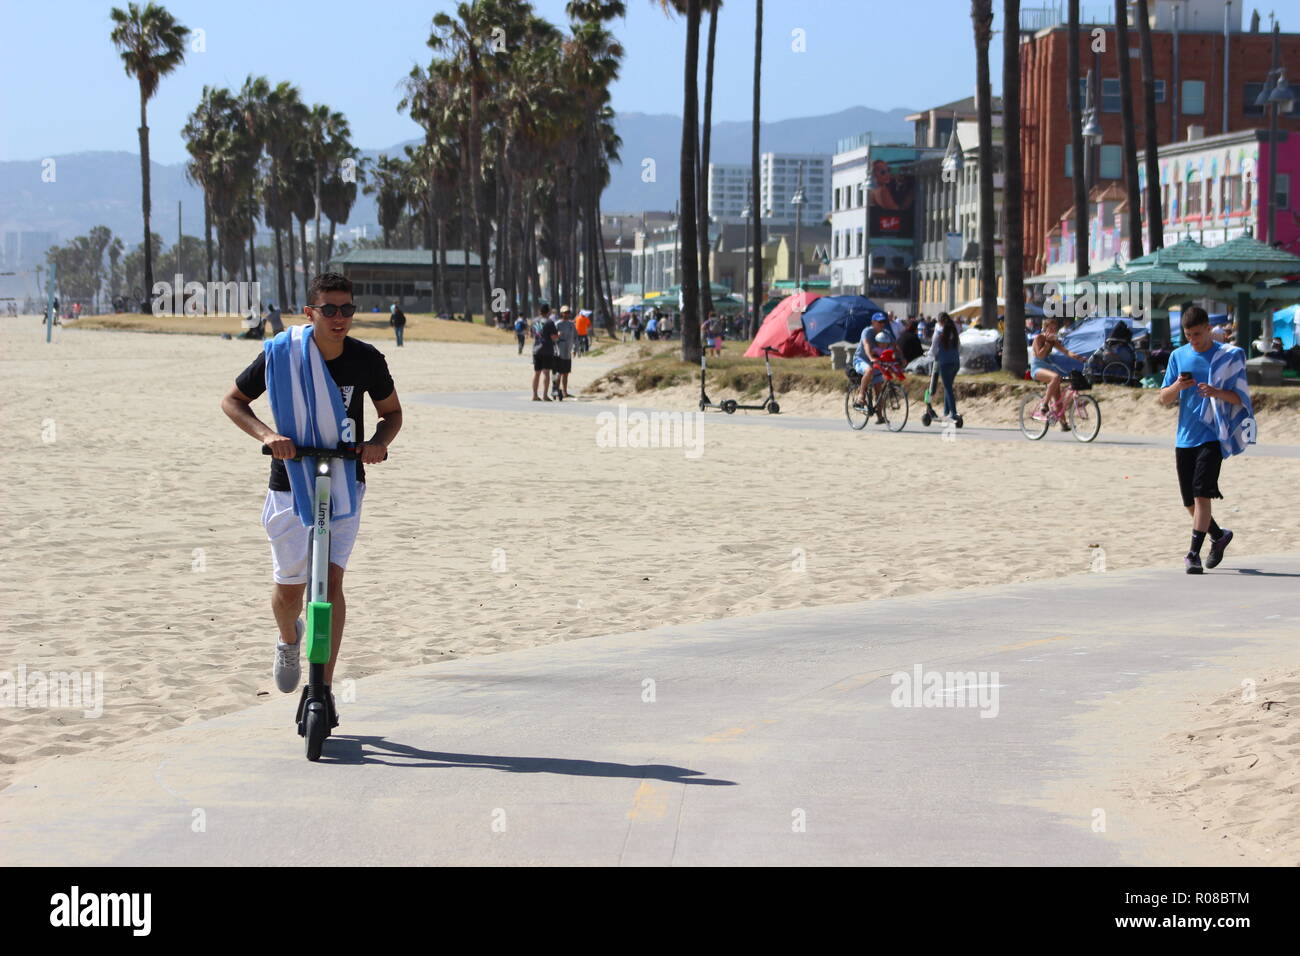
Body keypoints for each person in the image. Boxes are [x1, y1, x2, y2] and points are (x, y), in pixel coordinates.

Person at [220, 272, 401, 723]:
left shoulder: (366, 359)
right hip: (291, 480)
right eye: (330, 310)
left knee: (332, 583)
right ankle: (288, 640)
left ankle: (321, 686)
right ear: (310, 312)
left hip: (343, 478)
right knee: (290, 590)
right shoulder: (282, 354)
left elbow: (392, 414)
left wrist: (379, 442)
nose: (340, 319)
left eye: (347, 310)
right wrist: (269, 435)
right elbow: (233, 401)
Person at [1159, 306, 1252, 574]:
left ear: (1209, 328)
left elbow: (1241, 399)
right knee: (1189, 501)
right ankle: (1219, 536)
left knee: (1201, 494)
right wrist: (1178, 386)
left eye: (1197, 334)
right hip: (1184, 437)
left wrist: (1215, 392)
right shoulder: (1179, 356)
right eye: (1188, 335)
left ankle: (1192, 554)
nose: (1193, 340)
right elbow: (1163, 397)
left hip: (1213, 435)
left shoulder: (1226, 357)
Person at [1029, 318, 1084, 423]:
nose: (1053, 330)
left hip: (1048, 368)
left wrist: (1078, 357)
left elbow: (1066, 351)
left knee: (1058, 398)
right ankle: (1044, 404)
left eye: (1055, 328)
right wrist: (1048, 344)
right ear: (1045, 328)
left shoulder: (1053, 341)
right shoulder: (1039, 338)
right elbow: (1040, 355)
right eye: (1051, 328)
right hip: (1037, 369)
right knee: (1055, 377)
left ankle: (1063, 424)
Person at [853, 313, 896, 423]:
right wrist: (871, 357)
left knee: (878, 390)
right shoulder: (867, 331)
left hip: (876, 362)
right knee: (869, 370)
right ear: (873, 323)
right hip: (861, 360)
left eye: (883, 322)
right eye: (879, 322)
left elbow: (894, 345)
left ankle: (880, 417)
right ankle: (861, 395)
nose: (882, 324)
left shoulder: (886, 333)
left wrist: (901, 358)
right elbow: (866, 344)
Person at [930, 311, 962, 421]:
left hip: (945, 363)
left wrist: (928, 355)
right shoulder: (954, 330)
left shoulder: (938, 333)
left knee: (948, 388)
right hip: (956, 362)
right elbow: (959, 347)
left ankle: (953, 413)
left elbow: (933, 350)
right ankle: (946, 412)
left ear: (939, 322)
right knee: (948, 386)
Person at [531, 303, 559, 401]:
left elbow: (532, 334)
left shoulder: (534, 321)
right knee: (546, 373)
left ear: (540, 311)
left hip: (536, 349)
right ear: (548, 312)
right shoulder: (550, 322)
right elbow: (554, 337)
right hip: (547, 349)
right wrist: (558, 335)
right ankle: (545, 395)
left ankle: (534, 395)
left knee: (536, 373)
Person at [554, 306, 577, 399]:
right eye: (564, 312)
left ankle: (564, 391)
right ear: (561, 313)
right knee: (559, 372)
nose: (566, 314)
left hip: (568, 350)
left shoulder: (572, 324)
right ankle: (556, 390)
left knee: (566, 373)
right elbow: (553, 338)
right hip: (559, 351)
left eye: (568, 312)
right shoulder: (557, 324)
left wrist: (575, 348)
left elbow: (575, 337)